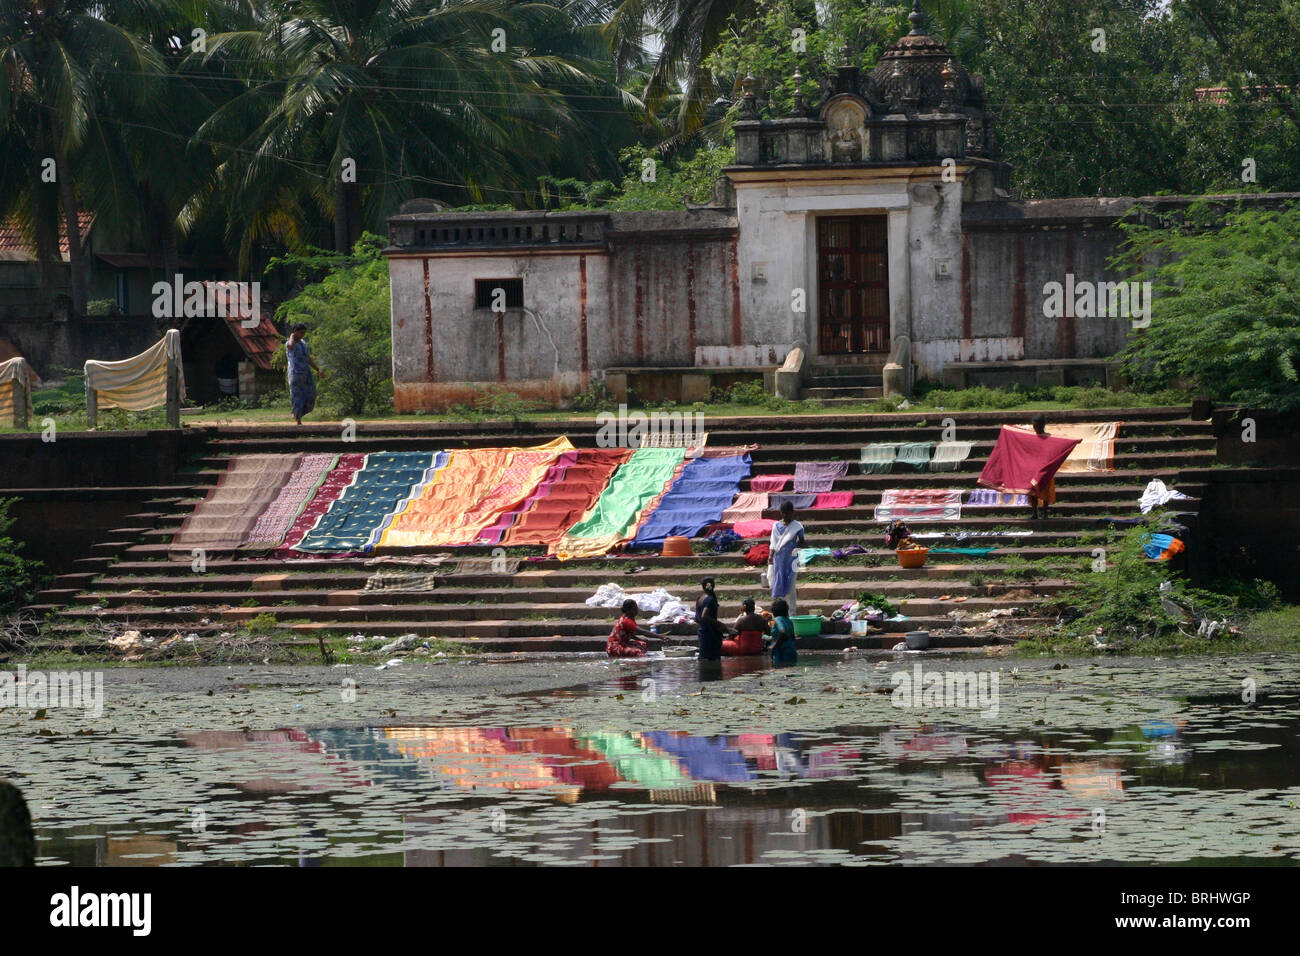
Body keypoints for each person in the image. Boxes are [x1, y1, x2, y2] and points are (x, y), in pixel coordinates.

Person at [768, 501, 805, 614]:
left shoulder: (797, 526)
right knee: (779, 583)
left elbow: (802, 541)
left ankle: (792, 612)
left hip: (791, 560)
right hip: (778, 560)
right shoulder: (776, 526)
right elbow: (773, 543)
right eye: (784, 513)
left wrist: (796, 546)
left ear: (792, 513)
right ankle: (780, 611)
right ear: (781, 513)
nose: (786, 516)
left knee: (791, 586)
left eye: (788, 513)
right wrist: (770, 556)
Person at [286, 323, 324, 425]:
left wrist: (317, 369)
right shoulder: (290, 343)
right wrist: (292, 336)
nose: (303, 335)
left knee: (312, 394)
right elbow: (290, 346)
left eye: (304, 333)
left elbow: (307, 358)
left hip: (306, 373)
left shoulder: (303, 343)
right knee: (297, 396)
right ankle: (298, 419)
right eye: (301, 332)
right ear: (295, 332)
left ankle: (297, 414)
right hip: (295, 374)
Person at [1028, 413, 1057, 520]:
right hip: (1034, 467)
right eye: (1034, 426)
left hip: (1046, 468)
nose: (1035, 428)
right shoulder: (1031, 438)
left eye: (1037, 426)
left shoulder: (1050, 438)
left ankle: (1045, 512)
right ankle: (1034, 512)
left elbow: (1054, 451)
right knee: (1033, 490)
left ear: (1042, 425)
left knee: (1045, 490)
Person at [695, 577, 728, 661]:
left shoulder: (699, 598)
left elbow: (697, 618)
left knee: (703, 660)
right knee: (713, 661)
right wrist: (720, 624)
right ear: (713, 586)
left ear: (703, 587)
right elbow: (704, 616)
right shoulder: (710, 600)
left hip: (702, 633)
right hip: (710, 634)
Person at [769, 598, 797, 665]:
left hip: (782, 652)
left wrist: (773, 647)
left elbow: (782, 632)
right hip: (792, 651)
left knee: (779, 672)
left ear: (774, 611)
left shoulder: (777, 619)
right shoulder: (789, 621)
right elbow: (793, 637)